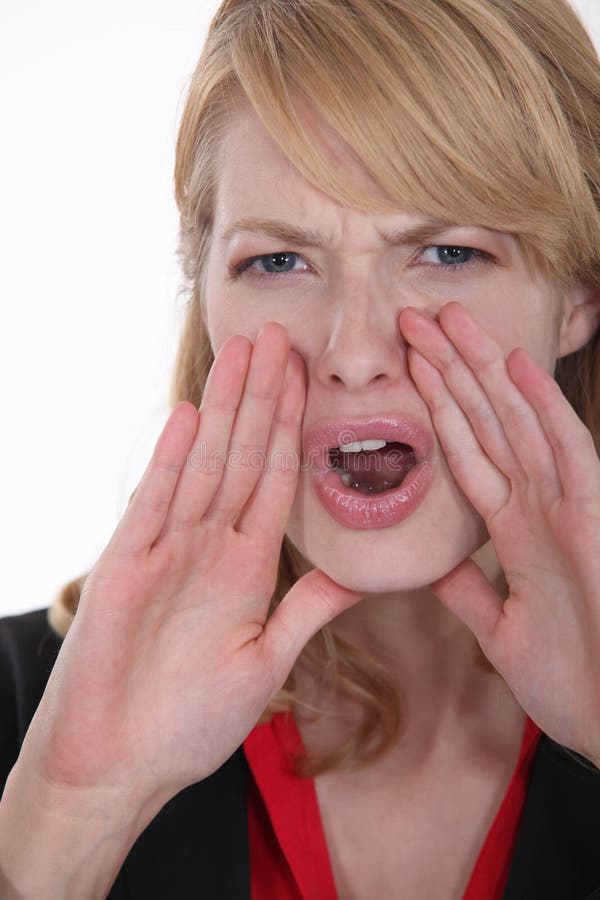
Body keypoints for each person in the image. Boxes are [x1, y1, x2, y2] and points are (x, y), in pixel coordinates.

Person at [2, 0, 600, 897]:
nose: (354, 354)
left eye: (446, 250)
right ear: (205, 296)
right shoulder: (22, 718)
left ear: (581, 295)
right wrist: (67, 821)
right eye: (279, 262)